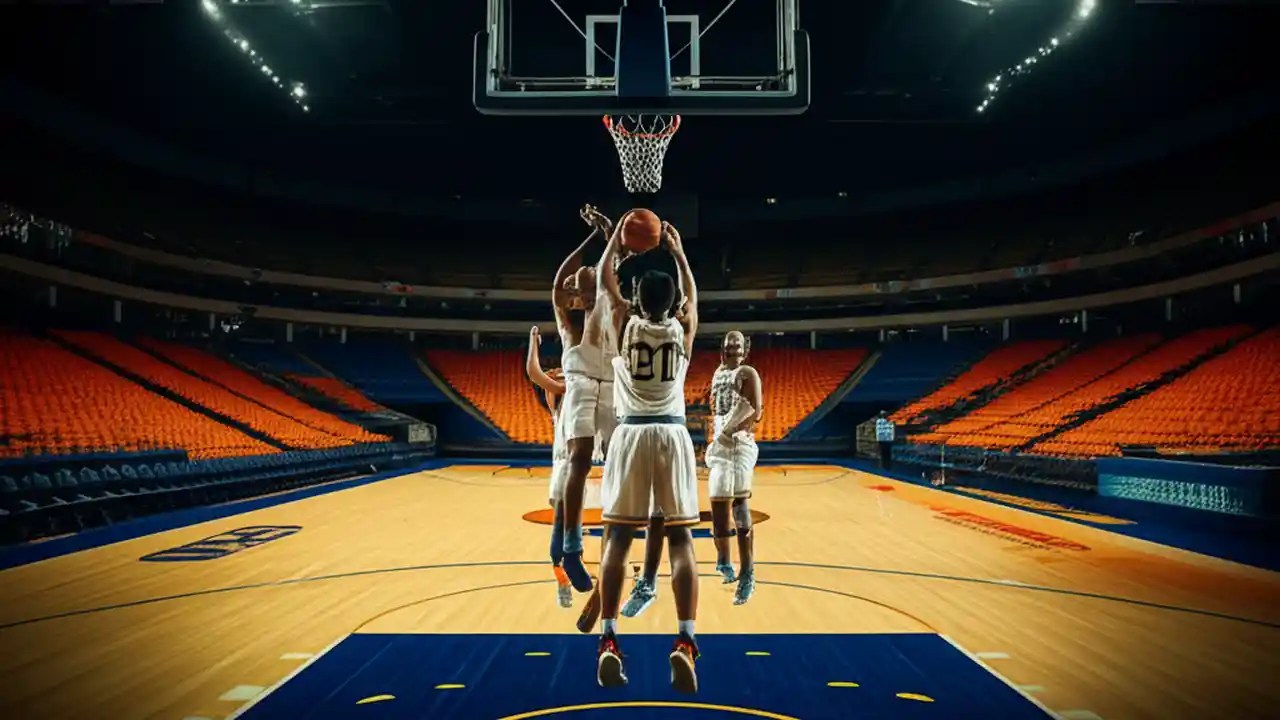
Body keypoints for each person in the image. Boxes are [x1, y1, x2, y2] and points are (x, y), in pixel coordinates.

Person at [594, 219, 701, 693]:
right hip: (673, 435)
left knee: (617, 541)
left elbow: (604, 284)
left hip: (631, 433)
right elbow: (694, 301)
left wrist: (616, 240)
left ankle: (610, 639)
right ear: (673, 304)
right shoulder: (682, 330)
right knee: (681, 544)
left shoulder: (624, 323)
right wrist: (678, 252)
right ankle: (685, 641)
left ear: (638, 302)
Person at [551, 205, 623, 592]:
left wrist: (611, 242)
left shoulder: (610, 305)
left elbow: (611, 269)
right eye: (585, 276)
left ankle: (615, 536)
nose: (590, 273)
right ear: (576, 290)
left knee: (617, 463)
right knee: (578, 460)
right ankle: (572, 546)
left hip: (612, 386)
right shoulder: (569, 313)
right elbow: (561, 277)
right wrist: (596, 237)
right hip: (580, 385)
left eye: (595, 272)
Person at [705, 330, 762, 605]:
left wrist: (732, 429)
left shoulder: (748, 373)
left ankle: (747, 572)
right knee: (717, 506)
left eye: (737, 346)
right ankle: (724, 559)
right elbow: (713, 406)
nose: (732, 350)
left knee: (739, 508)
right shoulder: (717, 373)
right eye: (728, 345)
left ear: (745, 350)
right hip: (719, 443)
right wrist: (715, 432)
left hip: (738, 443)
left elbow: (756, 410)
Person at [525, 325, 574, 609]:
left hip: (575, 463)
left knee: (564, 525)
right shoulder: (565, 390)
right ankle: (563, 576)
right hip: (572, 463)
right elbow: (535, 372)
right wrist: (533, 343)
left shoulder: (566, 392)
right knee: (565, 525)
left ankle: (563, 575)